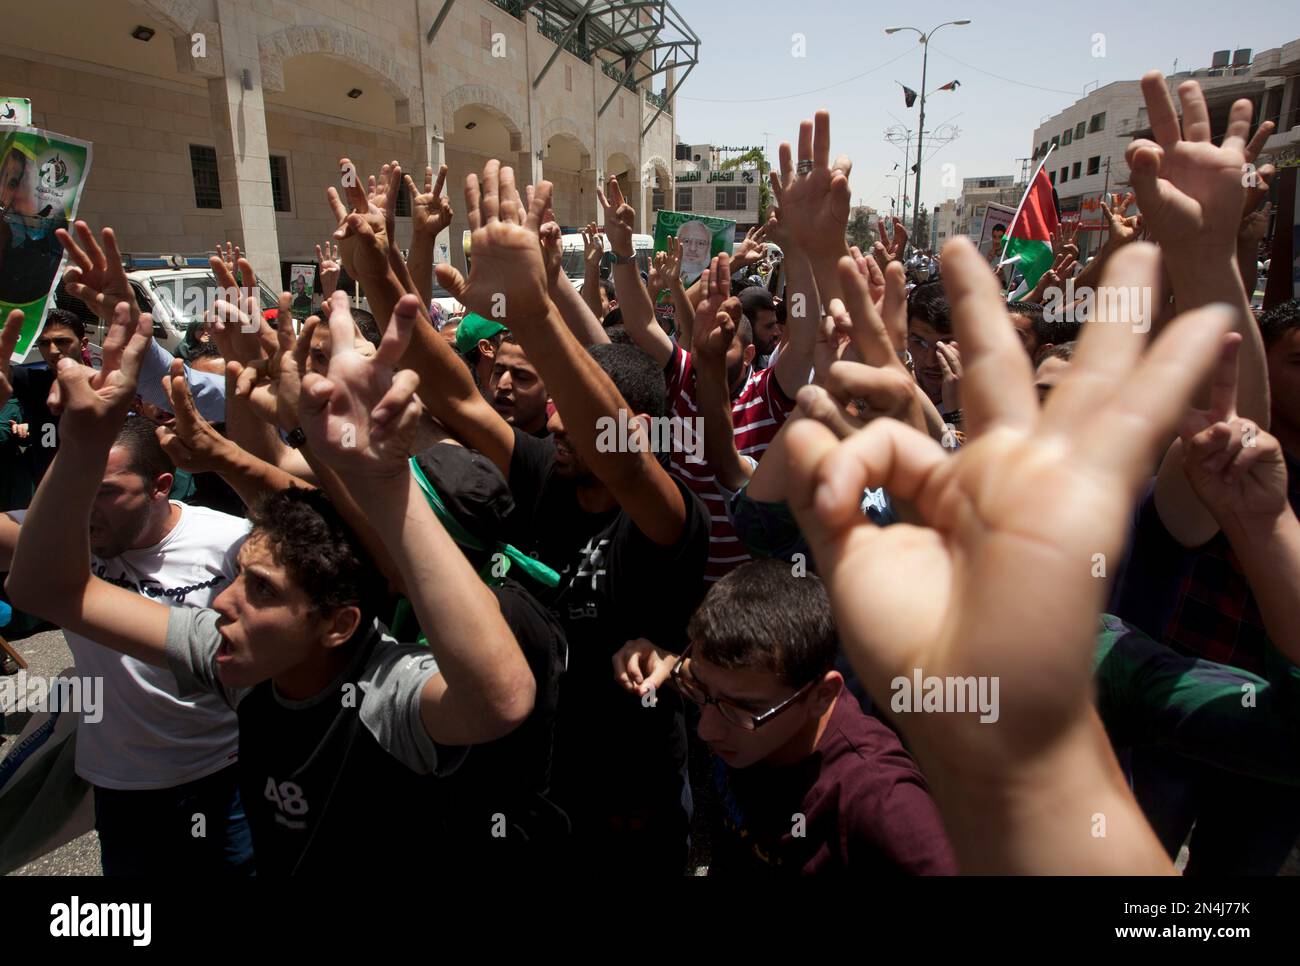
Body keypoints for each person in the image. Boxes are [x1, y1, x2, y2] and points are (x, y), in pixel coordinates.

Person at [6, 295, 539, 875]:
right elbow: (49, 591)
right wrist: (81, 444)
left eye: (260, 588)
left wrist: (388, 485)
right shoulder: (248, 664)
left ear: (337, 626)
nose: (224, 599)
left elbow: (499, 699)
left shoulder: (384, 693)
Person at [1, 414, 253, 875]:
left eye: (105, 491)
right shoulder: (63, 535)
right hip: (119, 787)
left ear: (160, 486)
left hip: (222, 778)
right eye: (79, 489)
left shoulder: (228, 542)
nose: (84, 507)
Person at [612, 560, 956, 875]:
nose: (706, 730)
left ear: (822, 696)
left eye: (742, 709)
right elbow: (705, 681)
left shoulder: (878, 800)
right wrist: (664, 661)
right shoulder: (737, 695)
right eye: (703, 691)